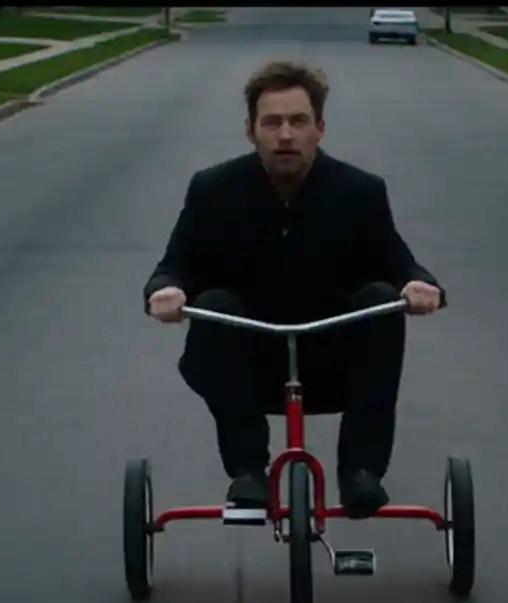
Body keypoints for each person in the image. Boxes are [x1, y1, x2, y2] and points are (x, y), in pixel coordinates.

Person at [141, 60, 446, 519]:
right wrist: (165, 292)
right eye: (272, 122)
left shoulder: (359, 191)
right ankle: (248, 472)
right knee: (214, 304)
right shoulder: (213, 190)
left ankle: (361, 472)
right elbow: (173, 266)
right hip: (246, 368)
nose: (285, 135)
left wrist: (422, 286)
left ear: (319, 128)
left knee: (382, 299)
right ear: (251, 131)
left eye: (298, 121)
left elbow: (400, 262)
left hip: (335, 364)